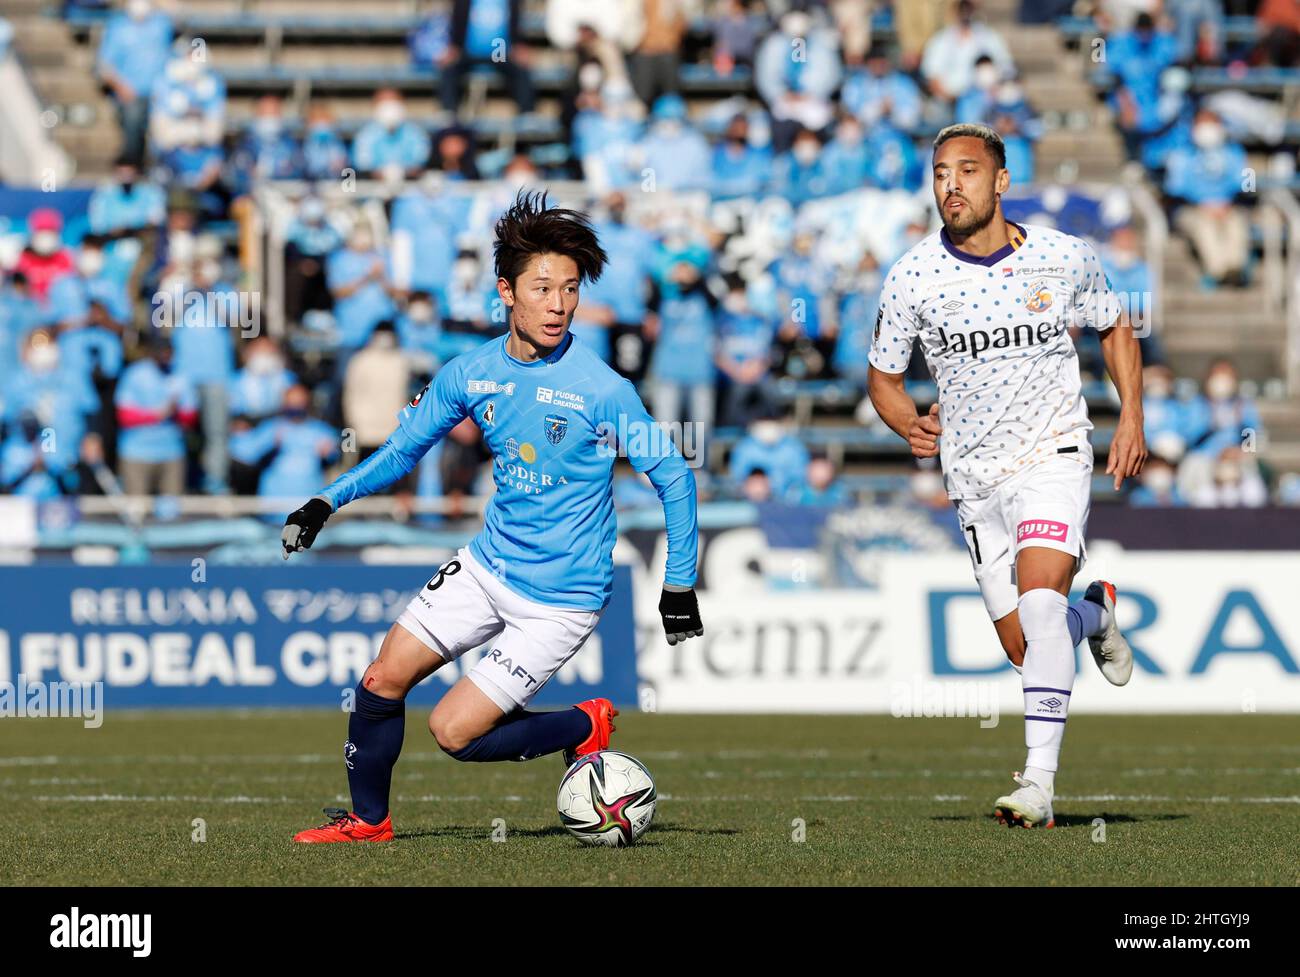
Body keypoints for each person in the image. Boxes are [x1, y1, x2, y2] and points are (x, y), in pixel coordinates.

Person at [282, 192, 703, 843]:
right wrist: (325, 500)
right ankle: (369, 820)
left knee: (452, 732)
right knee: (380, 678)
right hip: (486, 564)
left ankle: (581, 724)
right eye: (543, 288)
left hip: (561, 598)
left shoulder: (602, 388)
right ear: (506, 290)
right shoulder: (471, 372)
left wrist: (678, 585)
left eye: (569, 289)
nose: (560, 304)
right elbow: (402, 451)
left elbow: (674, 476)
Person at [866, 123, 1149, 829]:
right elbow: (884, 376)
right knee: (1028, 643)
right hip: (973, 477)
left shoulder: (1062, 257)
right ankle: (1099, 614)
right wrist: (907, 423)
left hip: (1053, 453)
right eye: (939, 173)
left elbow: (1115, 326)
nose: (950, 185)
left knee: (1041, 605)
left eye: (965, 171)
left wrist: (1132, 416)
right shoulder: (912, 275)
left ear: (1000, 181)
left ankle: (1038, 784)